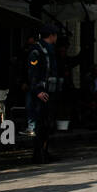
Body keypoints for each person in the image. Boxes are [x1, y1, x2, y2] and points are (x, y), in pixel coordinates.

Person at [27, 25, 62, 163]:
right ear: (52, 35)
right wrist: (38, 91)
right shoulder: (37, 50)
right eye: (55, 35)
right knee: (41, 125)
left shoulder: (50, 50)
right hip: (41, 94)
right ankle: (38, 154)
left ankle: (45, 151)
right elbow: (33, 72)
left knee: (48, 124)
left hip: (50, 92)